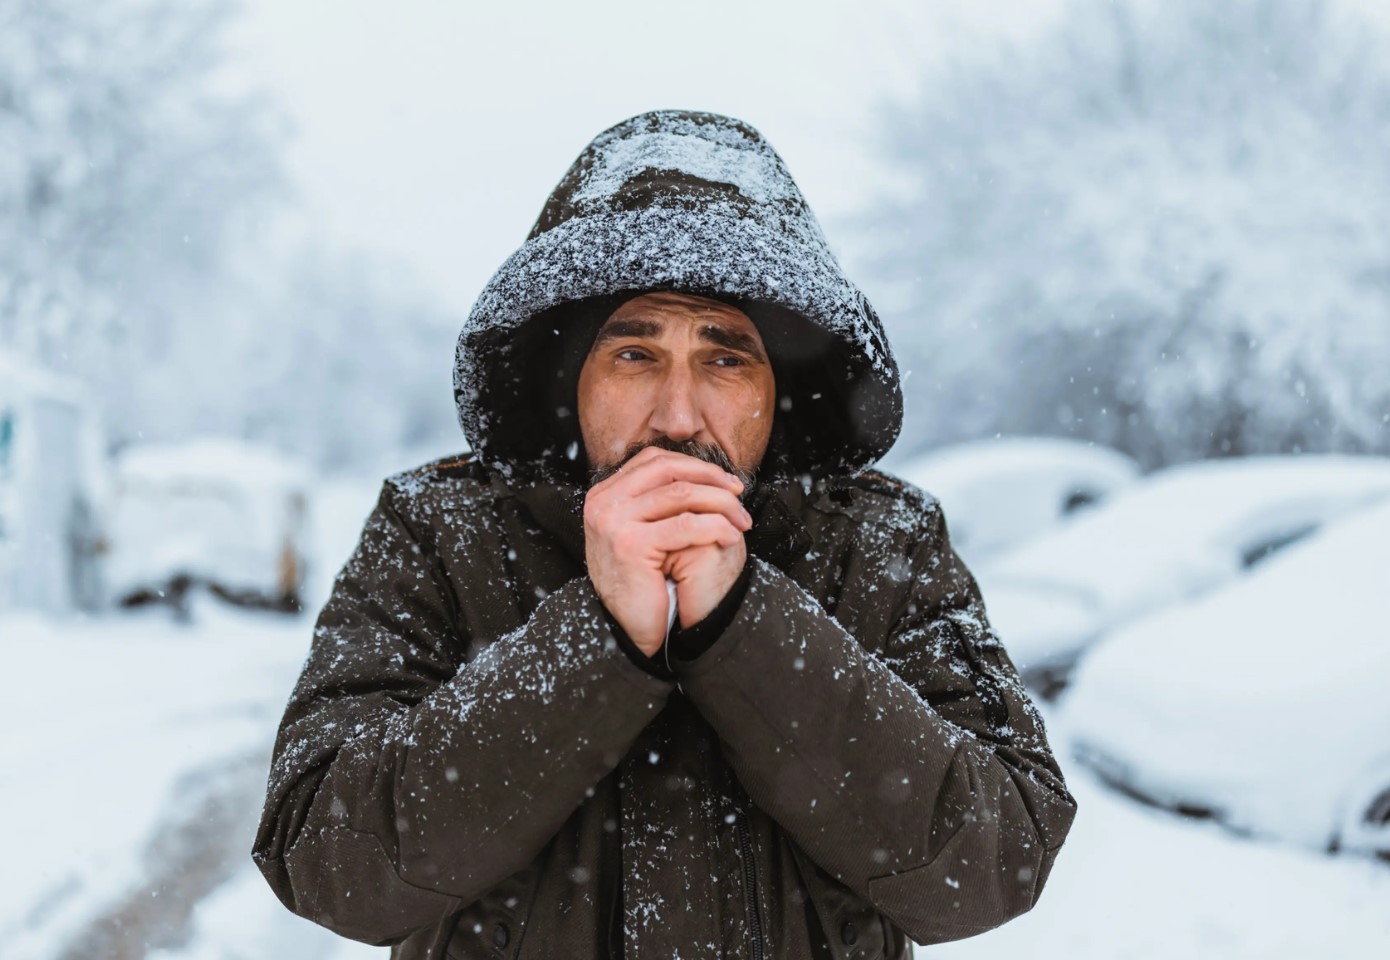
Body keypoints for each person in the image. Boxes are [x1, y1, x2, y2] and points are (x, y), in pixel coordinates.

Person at [253, 109, 1076, 960]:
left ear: (780, 391)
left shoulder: (884, 544)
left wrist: (743, 624)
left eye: (725, 358)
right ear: (568, 378)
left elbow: (995, 865)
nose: (679, 418)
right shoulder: (440, 531)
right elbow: (326, 863)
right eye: (635, 355)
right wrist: (598, 635)